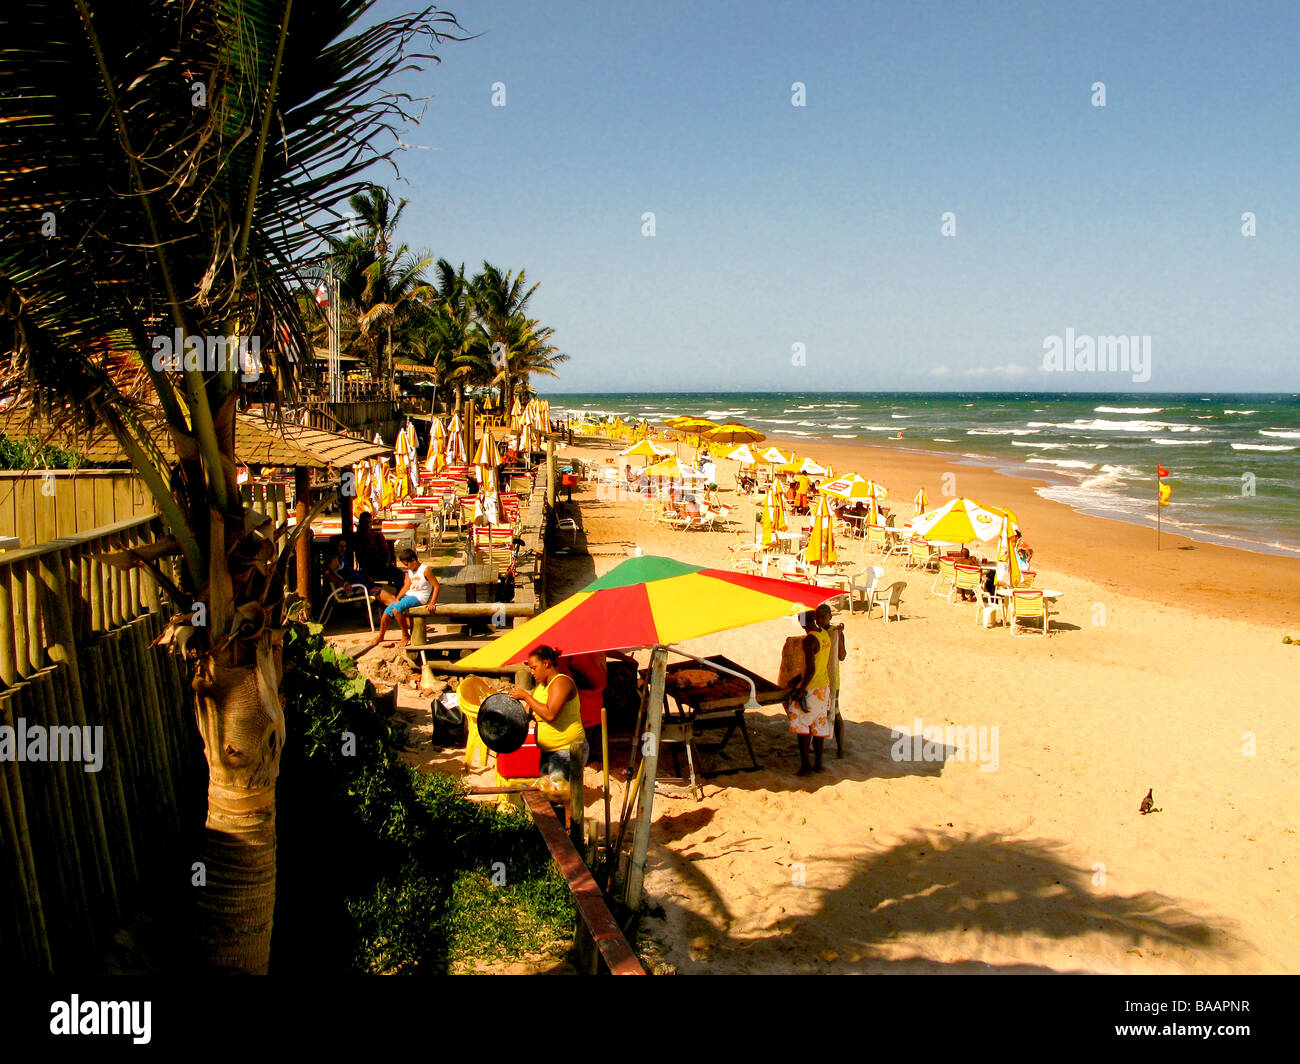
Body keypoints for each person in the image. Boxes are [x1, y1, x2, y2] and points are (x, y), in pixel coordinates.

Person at [508, 645, 588, 787]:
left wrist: (526, 696)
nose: (532, 672)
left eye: (534, 667)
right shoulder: (540, 687)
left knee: (560, 797)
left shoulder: (561, 682)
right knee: (549, 794)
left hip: (566, 749)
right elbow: (528, 713)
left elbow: (550, 714)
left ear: (546, 663)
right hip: (549, 750)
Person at [787, 610, 838, 776]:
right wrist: (796, 678)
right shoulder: (823, 634)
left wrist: (800, 689)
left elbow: (810, 669)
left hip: (811, 688)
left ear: (802, 622)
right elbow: (818, 663)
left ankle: (805, 767)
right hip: (823, 687)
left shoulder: (809, 640)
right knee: (819, 725)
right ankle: (818, 764)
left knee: (803, 727)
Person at [368, 548, 439, 647]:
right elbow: (407, 585)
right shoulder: (410, 571)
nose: (406, 567)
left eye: (407, 564)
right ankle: (381, 635)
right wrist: (398, 597)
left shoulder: (425, 570)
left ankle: (405, 635)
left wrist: (432, 602)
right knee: (386, 612)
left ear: (413, 561)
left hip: (419, 597)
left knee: (397, 610)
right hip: (409, 595)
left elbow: (436, 586)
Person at [816, 603, 848, 758]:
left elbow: (842, 656)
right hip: (819, 679)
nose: (820, 620)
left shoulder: (834, 632)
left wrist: (839, 636)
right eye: (818, 617)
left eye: (823, 617)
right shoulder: (816, 633)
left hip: (832, 678)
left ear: (830, 617)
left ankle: (840, 748)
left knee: (835, 711)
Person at [350, 512, 400, 587]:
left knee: (400, 574)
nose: (367, 525)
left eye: (369, 522)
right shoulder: (356, 537)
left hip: (382, 565)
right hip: (366, 568)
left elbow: (386, 551)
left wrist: (387, 563)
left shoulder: (377, 535)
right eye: (365, 522)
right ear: (361, 523)